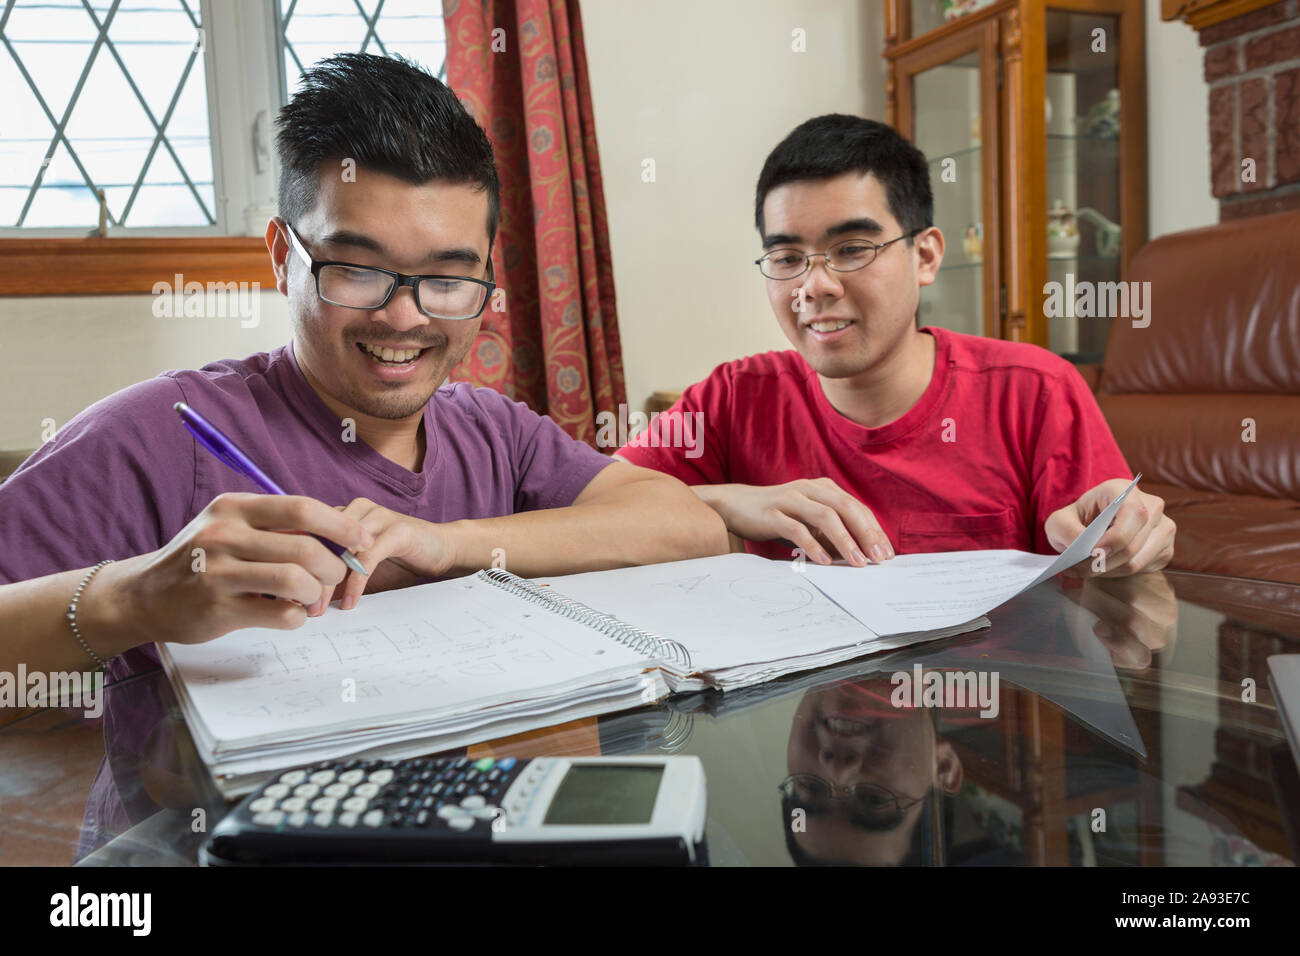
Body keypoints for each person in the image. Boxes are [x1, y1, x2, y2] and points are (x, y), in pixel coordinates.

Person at [0, 53, 726, 681]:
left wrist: (445, 545)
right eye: (356, 269)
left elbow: (684, 524)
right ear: (284, 257)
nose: (405, 318)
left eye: (447, 279)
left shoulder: (493, 429)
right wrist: (135, 599)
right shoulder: (160, 433)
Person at [618, 114, 1175, 577]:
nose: (815, 286)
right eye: (787, 259)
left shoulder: (1035, 391)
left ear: (926, 256)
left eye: (853, 247)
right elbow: (594, 508)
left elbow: (1109, 569)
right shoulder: (733, 398)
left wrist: (1130, 544)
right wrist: (730, 501)